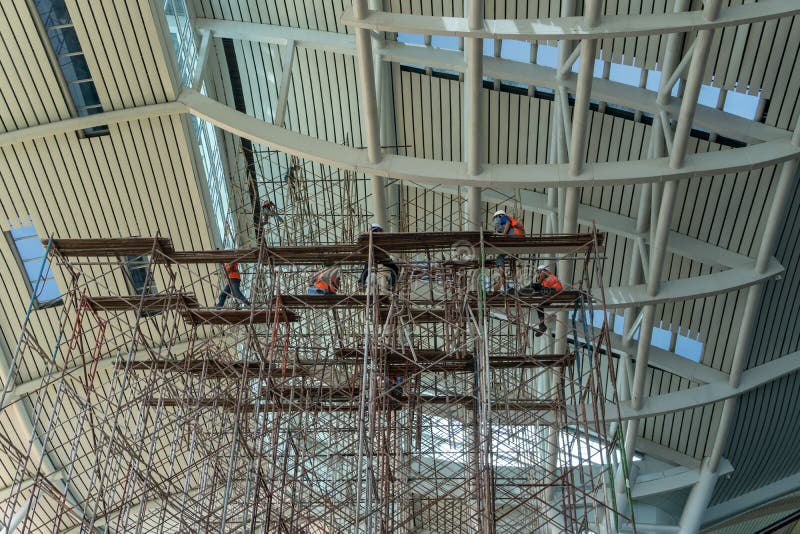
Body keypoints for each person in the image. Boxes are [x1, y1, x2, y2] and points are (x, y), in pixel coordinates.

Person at [358, 223, 399, 290]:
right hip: (381, 256)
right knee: (395, 268)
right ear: (379, 229)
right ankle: (391, 284)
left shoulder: (366, 236)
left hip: (370, 255)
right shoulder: (382, 236)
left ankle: (361, 282)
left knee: (366, 269)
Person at [492, 210, 525, 291]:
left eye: (496, 218)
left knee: (499, 227)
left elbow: (507, 223)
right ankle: (502, 277)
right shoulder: (507, 219)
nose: (495, 221)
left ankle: (502, 278)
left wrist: (503, 234)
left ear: (499, 216)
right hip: (516, 238)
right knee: (500, 257)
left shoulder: (503, 217)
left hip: (515, 234)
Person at [528, 265, 563, 336]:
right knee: (539, 306)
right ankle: (542, 324)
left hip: (554, 291)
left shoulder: (546, 273)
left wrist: (534, 284)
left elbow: (538, 283)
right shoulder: (545, 280)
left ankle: (522, 291)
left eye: (538, 272)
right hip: (550, 295)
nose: (538, 274)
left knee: (535, 285)